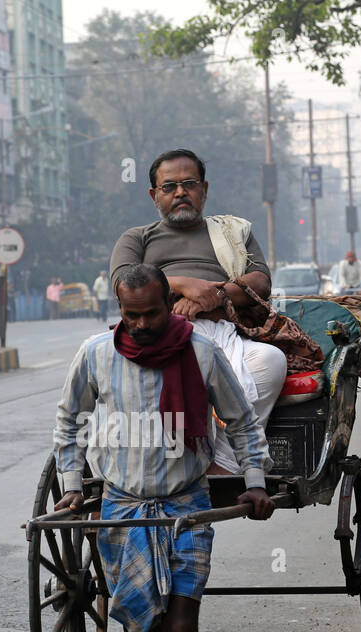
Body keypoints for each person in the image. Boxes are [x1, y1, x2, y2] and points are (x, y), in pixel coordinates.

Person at [52, 263, 274, 632]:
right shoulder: (95, 355)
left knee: (180, 627)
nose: (144, 324)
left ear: (165, 304)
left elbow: (241, 420)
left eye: (153, 312)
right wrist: (73, 483)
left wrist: (254, 481)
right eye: (132, 315)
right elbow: (69, 420)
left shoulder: (199, 353)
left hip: (185, 507)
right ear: (119, 310)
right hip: (124, 509)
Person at [109, 148, 301, 477]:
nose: (180, 192)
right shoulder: (137, 238)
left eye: (189, 183)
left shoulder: (233, 232)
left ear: (204, 190)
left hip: (222, 335)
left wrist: (213, 296)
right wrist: (185, 285)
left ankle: (224, 463)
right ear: (154, 196)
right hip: (158, 335)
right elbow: (122, 284)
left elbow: (260, 282)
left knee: (270, 363)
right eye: (169, 187)